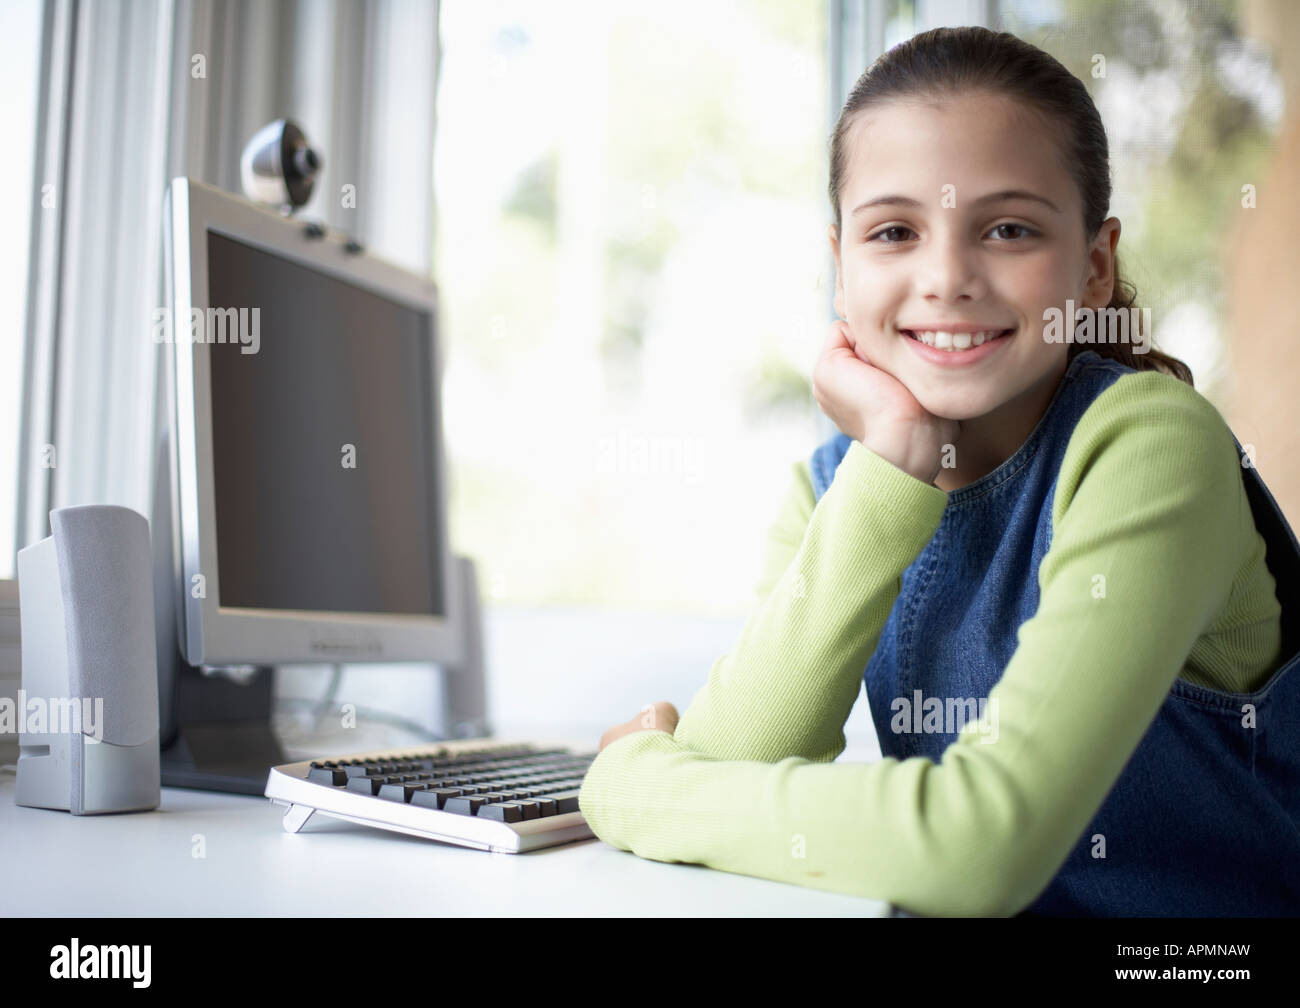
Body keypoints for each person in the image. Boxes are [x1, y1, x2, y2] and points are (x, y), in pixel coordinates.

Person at [577, 25, 1300, 916]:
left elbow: (981, 845)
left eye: (1007, 229)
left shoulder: (1152, 447)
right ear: (840, 268)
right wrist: (892, 461)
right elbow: (733, 769)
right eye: (893, 231)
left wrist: (632, 787)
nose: (948, 276)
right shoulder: (833, 484)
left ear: (1096, 266)